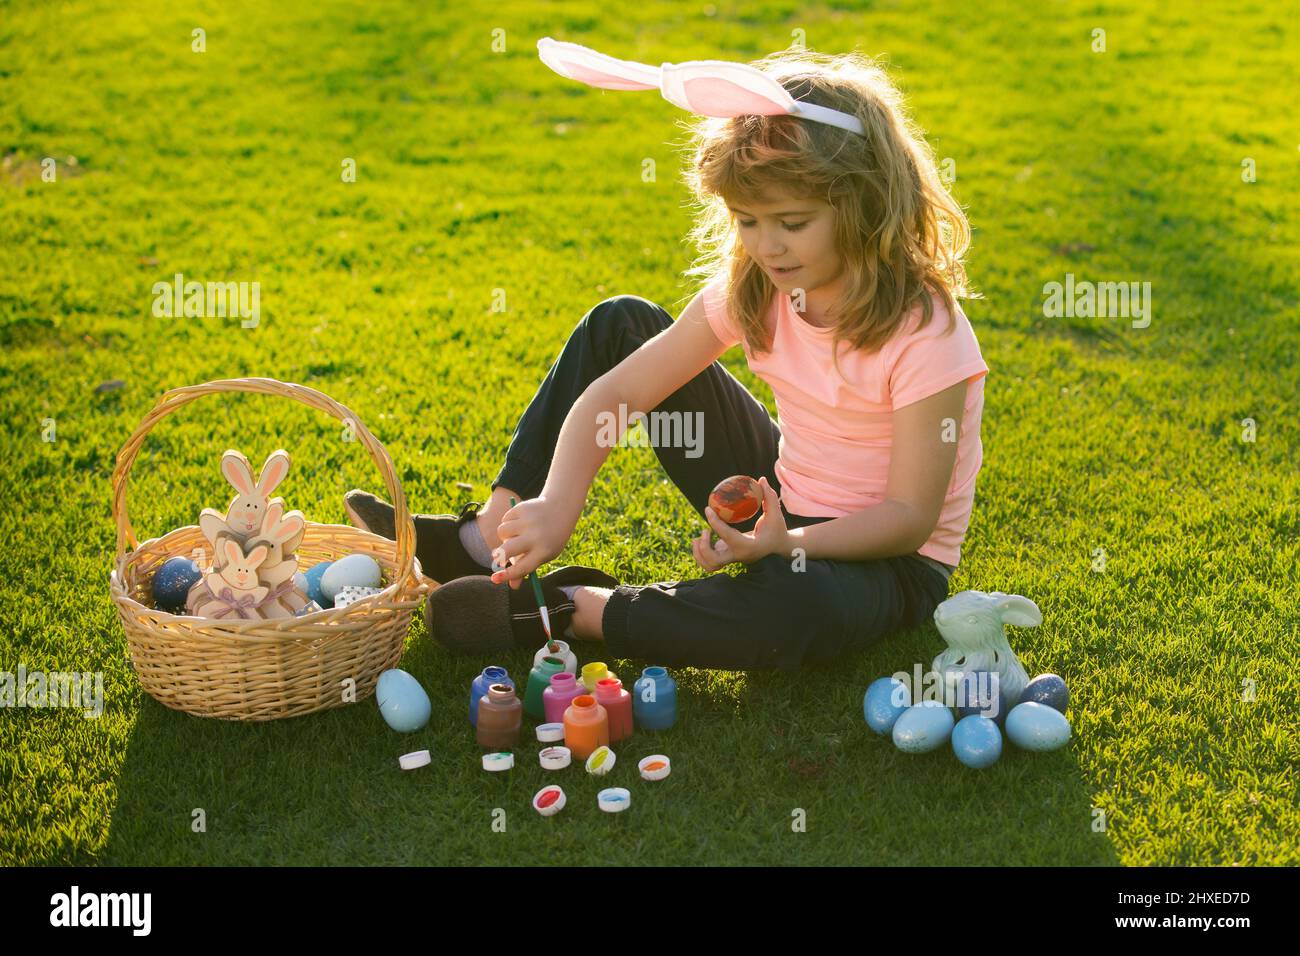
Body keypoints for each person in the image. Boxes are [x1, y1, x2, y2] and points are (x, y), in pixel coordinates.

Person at [345, 42, 989, 671]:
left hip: (888, 563)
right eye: (746, 221)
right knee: (620, 322)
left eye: (792, 223)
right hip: (781, 496)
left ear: (866, 205)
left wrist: (784, 544)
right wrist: (560, 502)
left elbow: (909, 519)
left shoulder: (925, 332)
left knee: (798, 603)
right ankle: (489, 539)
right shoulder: (759, 290)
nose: (768, 246)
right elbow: (613, 395)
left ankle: (579, 608)